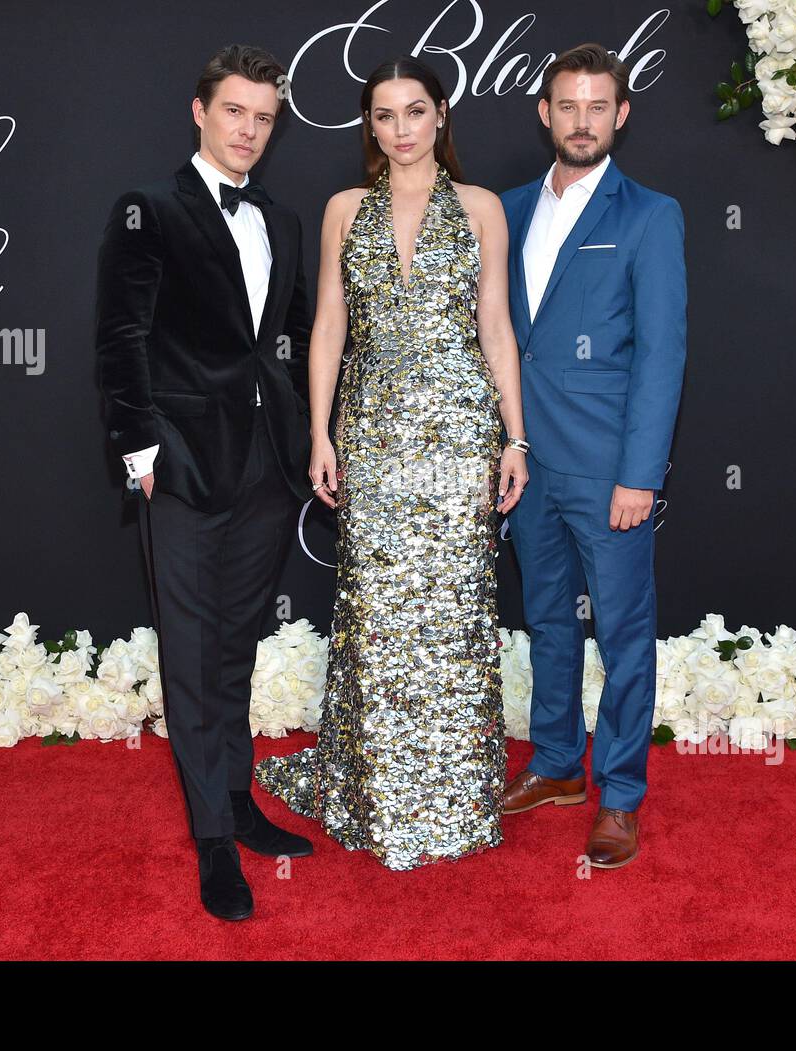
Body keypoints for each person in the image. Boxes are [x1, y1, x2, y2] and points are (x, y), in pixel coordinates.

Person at [254, 57, 529, 870]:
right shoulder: (346, 210)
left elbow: (497, 329)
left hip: (459, 436)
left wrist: (516, 438)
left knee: (452, 615)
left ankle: (454, 797)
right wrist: (320, 434)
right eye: (384, 115)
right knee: (377, 616)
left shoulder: (480, 208)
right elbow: (329, 327)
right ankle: (373, 792)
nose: (401, 128)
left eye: (415, 111)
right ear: (368, 126)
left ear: (441, 116)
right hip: (371, 433)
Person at [94, 44, 316, 922]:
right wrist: (138, 453)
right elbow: (120, 339)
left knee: (236, 646)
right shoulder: (149, 211)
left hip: (267, 464)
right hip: (182, 466)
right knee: (189, 656)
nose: (250, 132)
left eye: (264, 118)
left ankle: (235, 799)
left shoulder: (284, 222)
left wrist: (307, 434)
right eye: (236, 113)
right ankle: (213, 846)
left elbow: (292, 341)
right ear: (200, 110)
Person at [500, 44, 687, 868]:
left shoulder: (650, 214)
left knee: (621, 633)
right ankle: (553, 764)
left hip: (609, 469)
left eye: (597, 107)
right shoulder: (501, 210)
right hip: (524, 464)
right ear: (545, 113)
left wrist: (640, 475)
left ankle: (618, 794)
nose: (582, 122)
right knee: (545, 620)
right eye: (567, 106)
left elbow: (662, 353)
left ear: (621, 116)